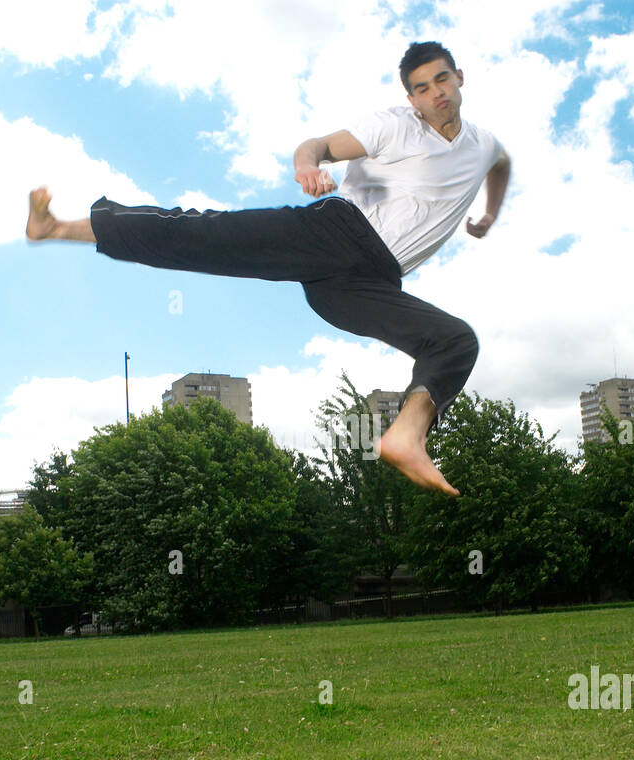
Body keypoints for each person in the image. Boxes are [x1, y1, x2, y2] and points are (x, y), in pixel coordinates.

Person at [25, 41, 510, 496]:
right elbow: (316, 145)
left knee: (455, 340)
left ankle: (407, 436)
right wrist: (307, 167)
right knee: (203, 235)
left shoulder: (483, 144)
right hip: (334, 234)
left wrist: (489, 212)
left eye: (442, 80)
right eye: (422, 88)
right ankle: (58, 228)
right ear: (410, 96)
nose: (436, 94)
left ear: (459, 78)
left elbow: (501, 165)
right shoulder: (395, 125)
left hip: (365, 284)